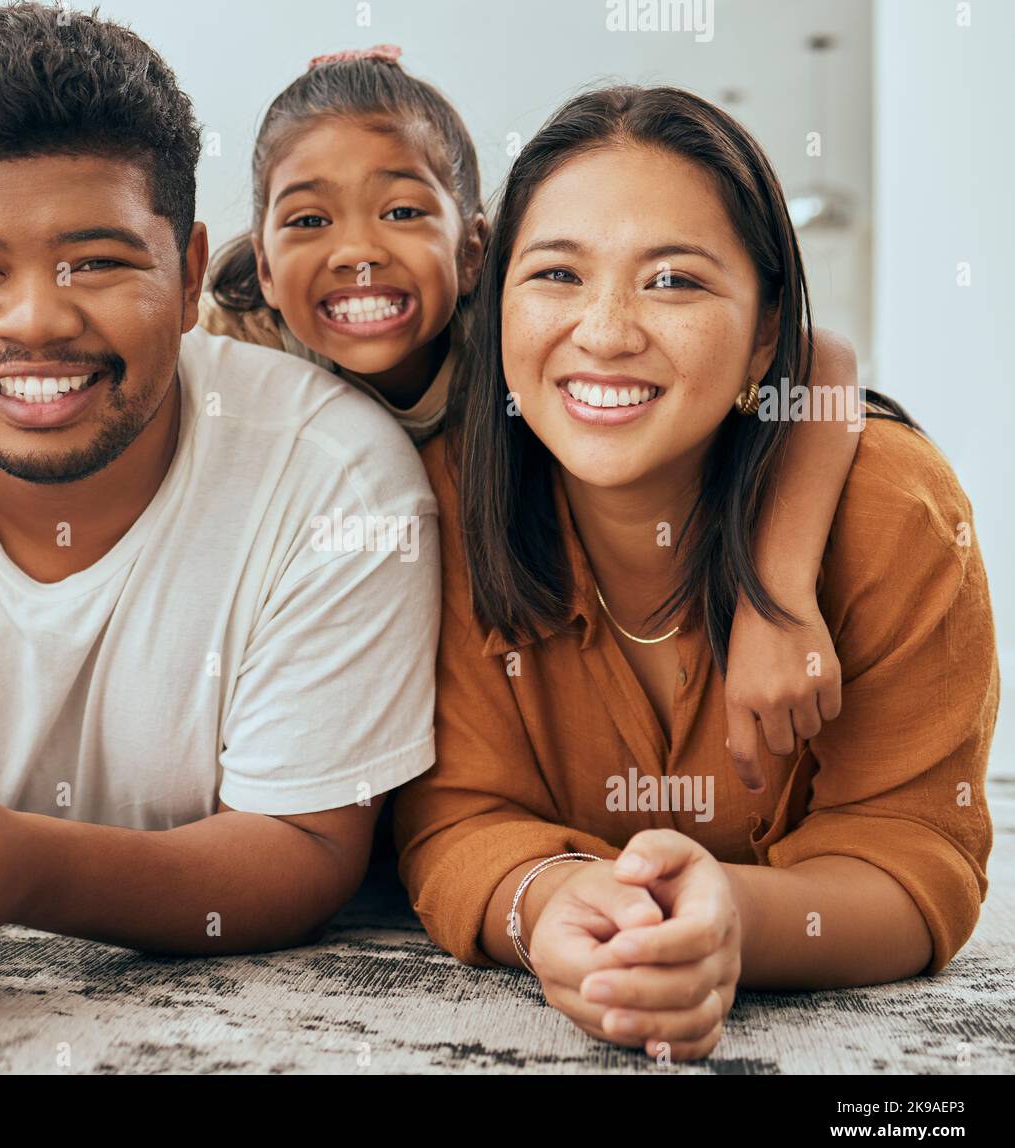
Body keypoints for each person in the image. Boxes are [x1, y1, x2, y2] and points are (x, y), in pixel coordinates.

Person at [0, 44, 863, 790]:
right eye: (309, 219)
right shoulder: (226, 334)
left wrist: (776, 597)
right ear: (259, 260)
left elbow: (819, 358)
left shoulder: (517, 329)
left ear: (474, 249)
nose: (356, 250)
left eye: (402, 211)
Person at [0, 2, 439, 1012]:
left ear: (190, 274)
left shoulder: (339, 482)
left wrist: (24, 868)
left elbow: (304, 848)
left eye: (98, 262)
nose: (35, 319)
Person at [394, 84, 997, 1061]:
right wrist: (545, 903)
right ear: (493, 302)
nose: (606, 329)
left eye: (672, 281)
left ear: (766, 333)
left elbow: (913, 858)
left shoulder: (896, 515)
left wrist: (738, 919)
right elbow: (456, 818)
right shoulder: (441, 502)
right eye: (555, 273)